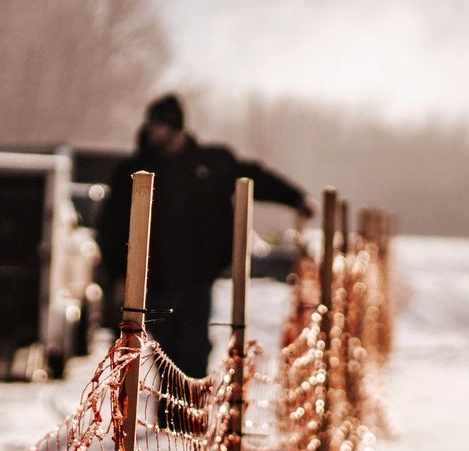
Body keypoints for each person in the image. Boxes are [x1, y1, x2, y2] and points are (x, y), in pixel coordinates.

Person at [96, 93, 309, 376]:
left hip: (197, 280)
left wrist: (296, 198)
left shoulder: (211, 163)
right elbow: (110, 227)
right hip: (152, 283)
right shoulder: (133, 171)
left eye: (160, 127)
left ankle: (190, 417)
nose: (154, 133)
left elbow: (256, 176)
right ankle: (168, 417)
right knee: (164, 357)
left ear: (176, 129)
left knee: (194, 354)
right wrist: (117, 275)